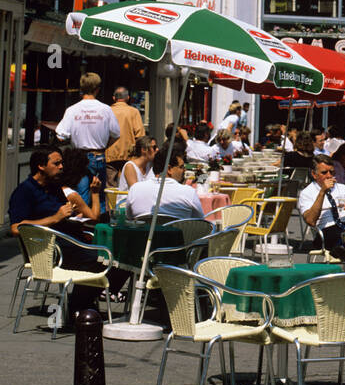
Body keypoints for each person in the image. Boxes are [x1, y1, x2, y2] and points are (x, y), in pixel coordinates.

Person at [8, 149, 111, 325]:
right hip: (47, 251)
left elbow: (68, 216)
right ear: (41, 166)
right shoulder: (25, 191)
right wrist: (55, 218)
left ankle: (84, 303)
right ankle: (77, 306)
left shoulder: (55, 188)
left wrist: (73, 218)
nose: (61, 167)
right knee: (100, 259)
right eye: (56, 163)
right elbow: (16, 228)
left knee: (116, 257)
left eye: (61, 163)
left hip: (68, 241)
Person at [297, 156, 345, 258]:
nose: (329, 176)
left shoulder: (342, 188)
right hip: (327, 230)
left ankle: (344, 242)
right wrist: (322, 192)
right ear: (314, 174)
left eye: (332, 172)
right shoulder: (307, 193)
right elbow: (310, 221)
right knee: (341, 232)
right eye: (324, 173)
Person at [56, 73, 120, 184]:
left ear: (81, 89)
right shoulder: (106, 109)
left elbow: (61, 136)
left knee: (81, 194)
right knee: (99, 196)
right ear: (97, 89)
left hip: (78, 157)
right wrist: (104, 146)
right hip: (99, 156)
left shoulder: (72, 110)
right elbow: (116, 134)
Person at [127, 149, 204, 221]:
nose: (184, 170)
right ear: (169, 169)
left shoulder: (135, 189)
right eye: (181, 167)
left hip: (144, 234)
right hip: (177, 235)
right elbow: (200, 221)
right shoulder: (189, 192)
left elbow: (129, 218)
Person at [105, 88, 145, 188]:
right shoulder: (133, 112)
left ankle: (111, 204)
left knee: (110, 187)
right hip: (129, 154)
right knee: (129, 185)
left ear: (114, 98)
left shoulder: (107, 111)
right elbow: (140, 135)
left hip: (110, 154)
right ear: (127, 98)